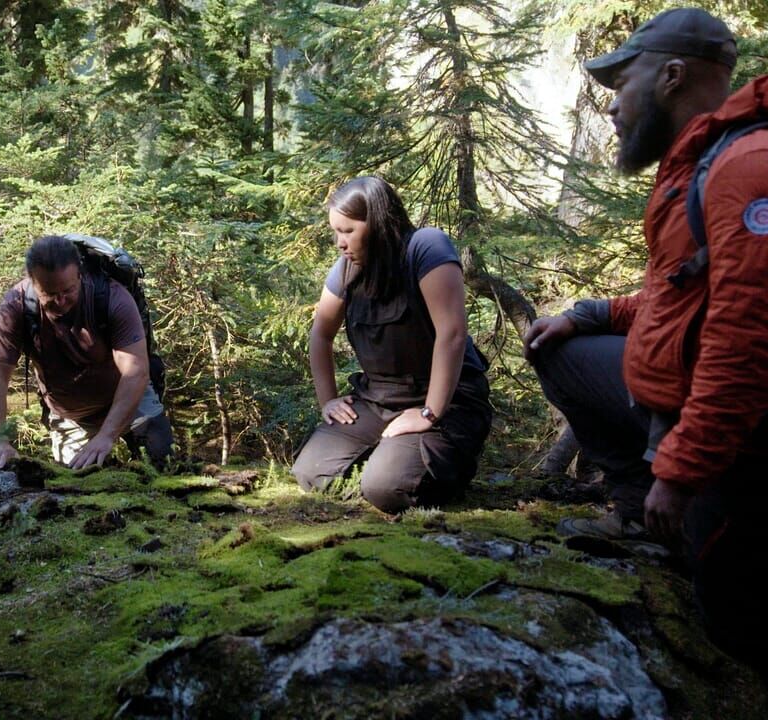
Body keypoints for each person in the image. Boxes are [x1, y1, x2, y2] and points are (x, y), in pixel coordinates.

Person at [523, 8, 767, 663]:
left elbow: (745, 347)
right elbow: (676, 303)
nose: (611, 107)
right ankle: (637, 507)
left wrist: (682, 472)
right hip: (689, 413)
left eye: (621, 85)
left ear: (672, 76)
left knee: (728, 625)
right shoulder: (696, 166)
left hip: (738, 443)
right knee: (562, 349)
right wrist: (591, 314)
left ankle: (680, 515)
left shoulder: (747, 167)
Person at [292, 177, 493, 513]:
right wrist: (327, 400)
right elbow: (321, 334)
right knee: (311, 472)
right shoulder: (346, 271)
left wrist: (430, 412)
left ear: (378, 223)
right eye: (335, 232)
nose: (339, 243)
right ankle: (390, 459)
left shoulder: (425, 247)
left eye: (348, 231)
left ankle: (421, 466)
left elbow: (452, 334)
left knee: (387, 491)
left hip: (449, 403)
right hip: (378, 399)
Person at [0, 235, 173, 470]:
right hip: (69, 413)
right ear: (32, 282)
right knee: (74, 490)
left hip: (128, 398)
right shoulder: (15, 307)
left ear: (80, 275)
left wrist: (106, 436)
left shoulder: (112, 297)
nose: (60, 301)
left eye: (68, 290)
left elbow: (136, 372)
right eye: (49, 294)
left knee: (161, 457)